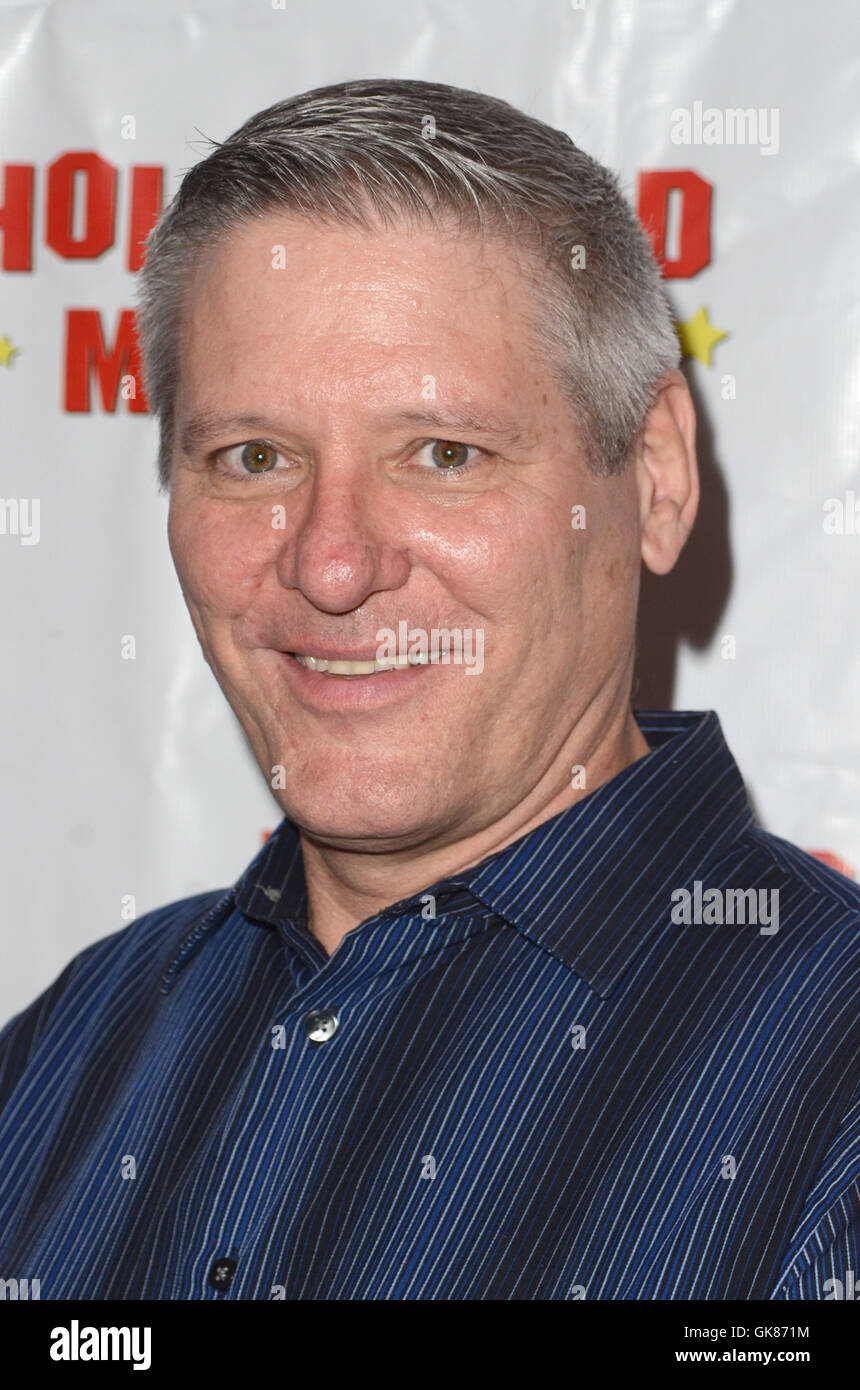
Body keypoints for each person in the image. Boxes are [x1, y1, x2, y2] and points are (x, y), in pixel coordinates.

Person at [0, 78, 856, 1301]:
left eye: (443, 454)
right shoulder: (71, 1046)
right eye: (253, 457)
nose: (331, 563)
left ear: (654, 479)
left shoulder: (831, 1100)